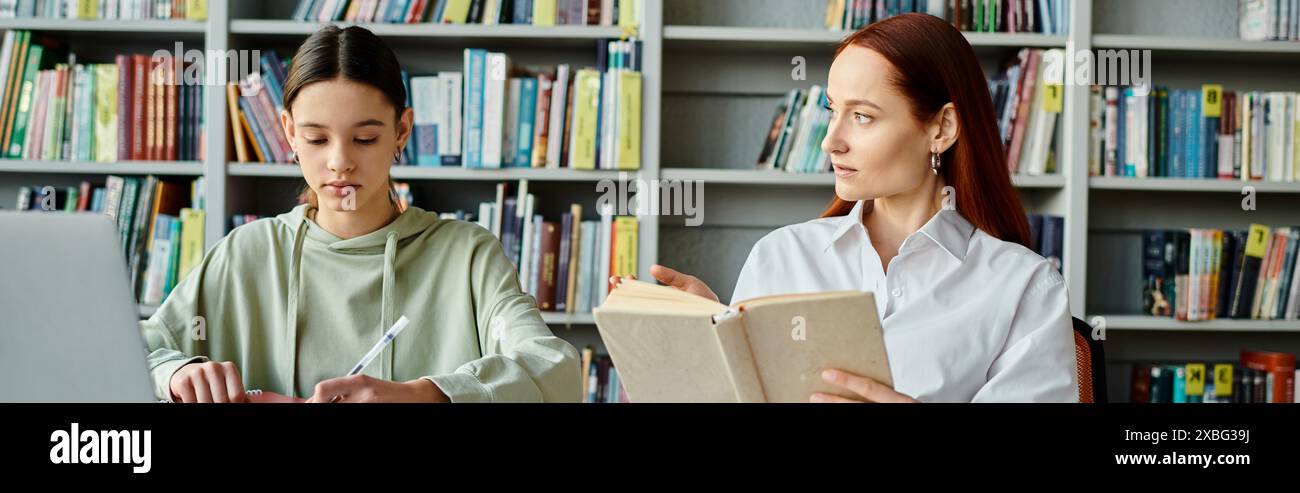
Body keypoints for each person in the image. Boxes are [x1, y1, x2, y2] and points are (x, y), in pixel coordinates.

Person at [649, 14, 1078, 403]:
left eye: (862, 116)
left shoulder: (1024, 287)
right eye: (832, 110)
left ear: (942, 128)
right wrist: (714, 342)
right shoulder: (780, 255)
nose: (830, 141)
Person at [141, 25, 581, 403]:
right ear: (289, 133)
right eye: (316, 139)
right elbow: (137, 349)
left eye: (365, 139)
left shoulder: (467, 256)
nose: (340, 163)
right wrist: (177, 373)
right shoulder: (246, 253)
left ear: (401, 131)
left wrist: (423, 395)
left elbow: (554, 370)